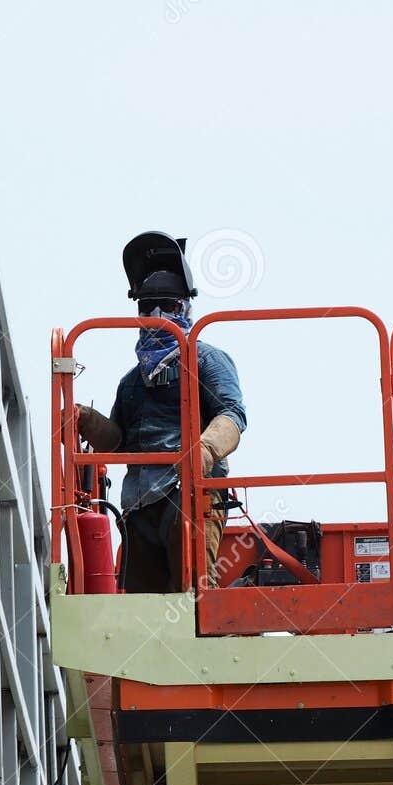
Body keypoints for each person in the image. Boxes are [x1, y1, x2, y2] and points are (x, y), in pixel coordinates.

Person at [76, 233, 246, 594]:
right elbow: (120, 442)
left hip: (192, 493)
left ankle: (206, 646)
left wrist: (205, 450)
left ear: (183, 308)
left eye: (165, 305)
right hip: (139, 505)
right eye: (146, 307)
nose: (155, 317)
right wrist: (85, 420)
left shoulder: (205, 360)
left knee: (195, 592)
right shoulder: (132, 382)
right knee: (143, 606)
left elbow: (233, 415)